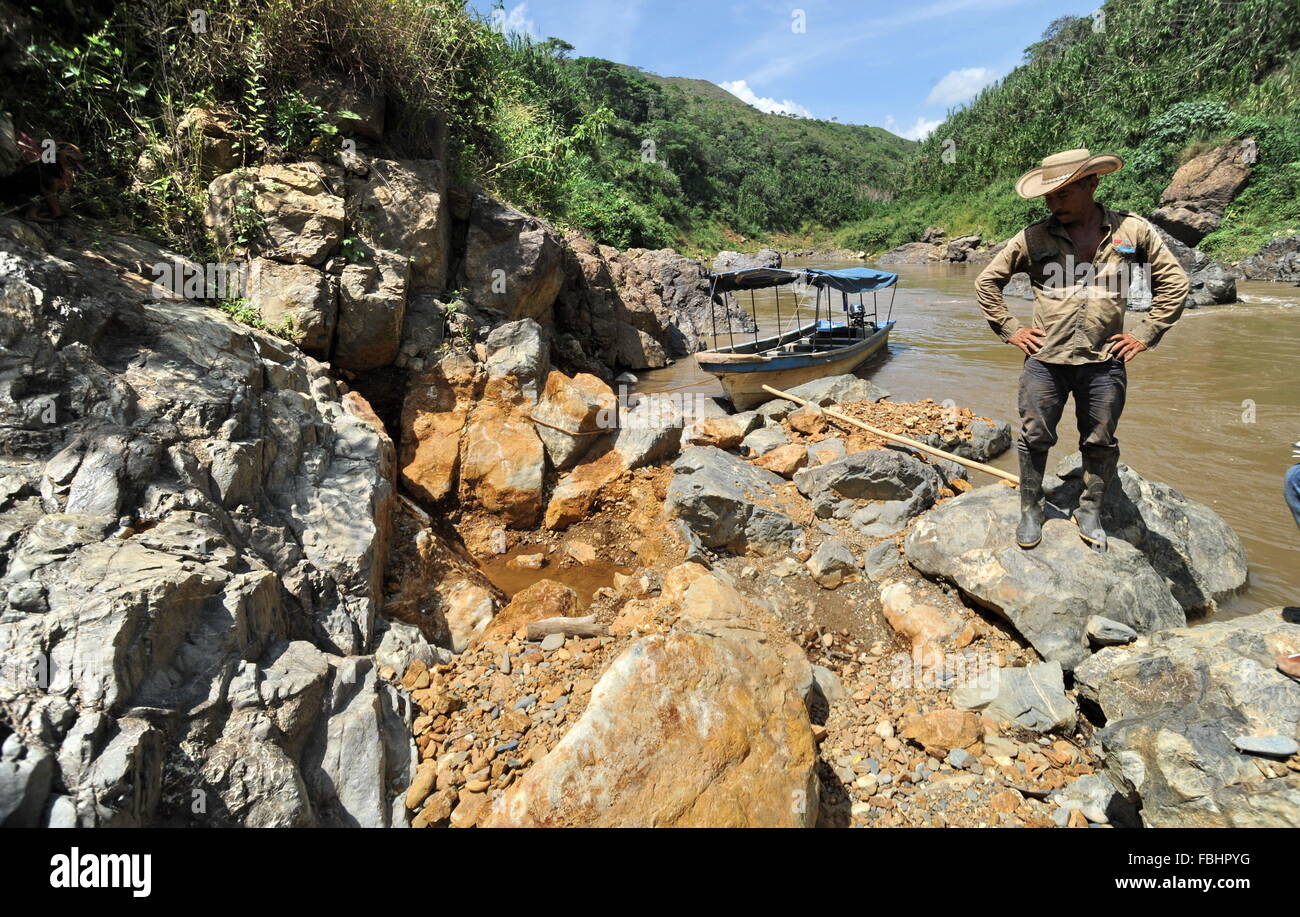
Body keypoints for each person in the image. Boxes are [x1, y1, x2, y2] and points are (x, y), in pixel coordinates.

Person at [975, 148, 1189, 552]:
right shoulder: (1034, 237)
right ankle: (1031, 508)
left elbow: (1174, 283)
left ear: (1092, 184)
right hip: (1044, 361)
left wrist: (1145, 333)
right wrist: (1011, 329)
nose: (1053, 204)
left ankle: (1089, 509)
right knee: (1034, 435)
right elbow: (987, 282)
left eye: (1063, 194)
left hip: (1104, 360)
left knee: (1100, 440)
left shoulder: (1133, 232)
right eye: (1048, 197)